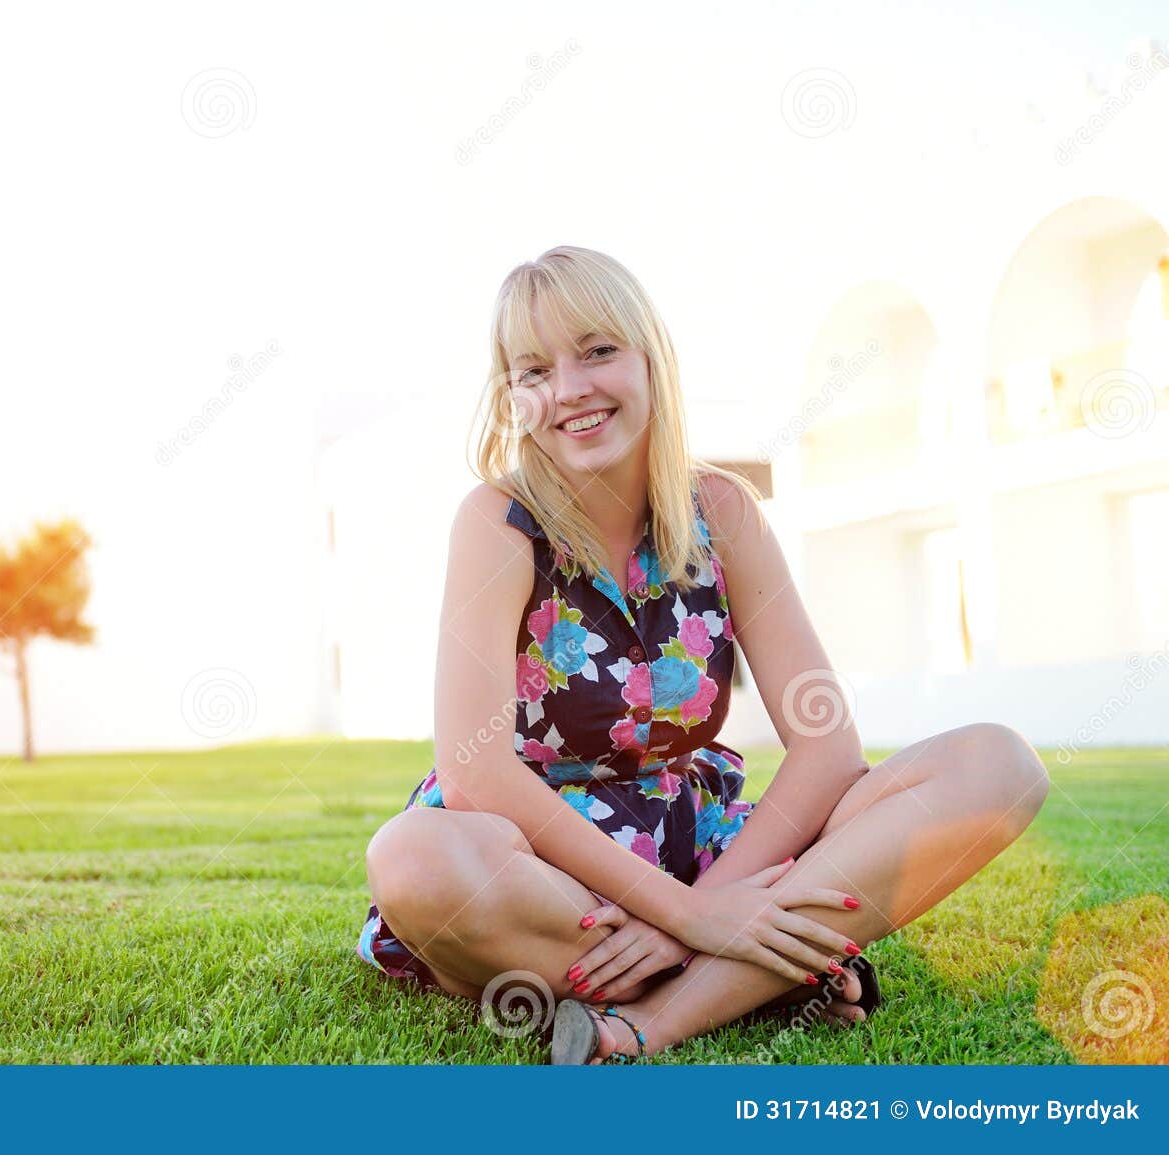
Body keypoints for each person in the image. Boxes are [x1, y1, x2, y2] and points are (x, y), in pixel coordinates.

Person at [355, 244, 1049, 1063]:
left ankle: (651, 1019)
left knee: (996, 765)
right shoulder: (497, 522)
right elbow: (475, 774)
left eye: (598, 351)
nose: (569, 387)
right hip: (549, 874)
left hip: (706, 845)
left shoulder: (724, 511)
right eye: (534, 369)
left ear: (651, 359)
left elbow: (828, 745)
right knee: (410, 858)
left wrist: (708, 903)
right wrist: (686, 919)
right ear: (513, 396)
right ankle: (758, 973)